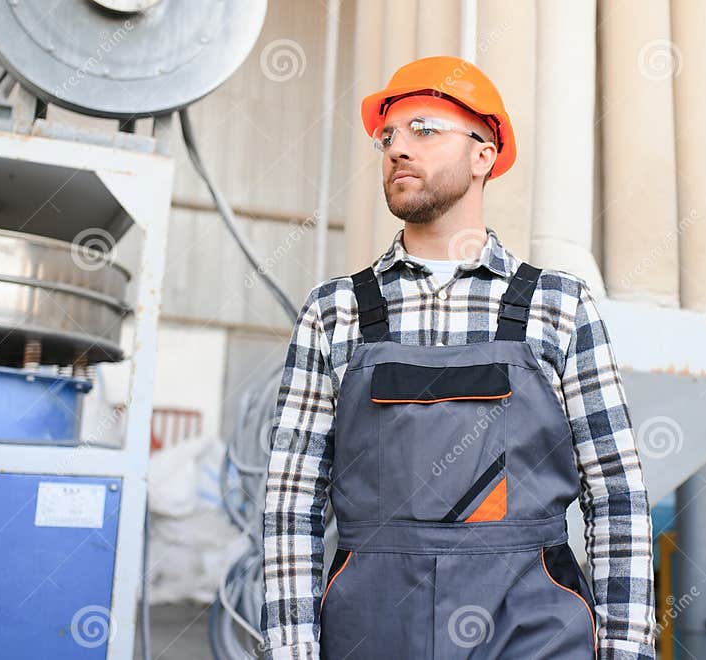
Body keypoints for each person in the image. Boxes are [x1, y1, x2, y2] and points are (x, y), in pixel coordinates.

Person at [261, 55, 656, 660]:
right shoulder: (334, 312)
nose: (397, 149)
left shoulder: (558, 307)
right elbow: (291, 500)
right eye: (387, 137)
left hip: (531, 631)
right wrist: (291, 650)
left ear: (483, 154)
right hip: (373, 629)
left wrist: (626, 650)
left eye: (424, 130)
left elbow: (616, 491)